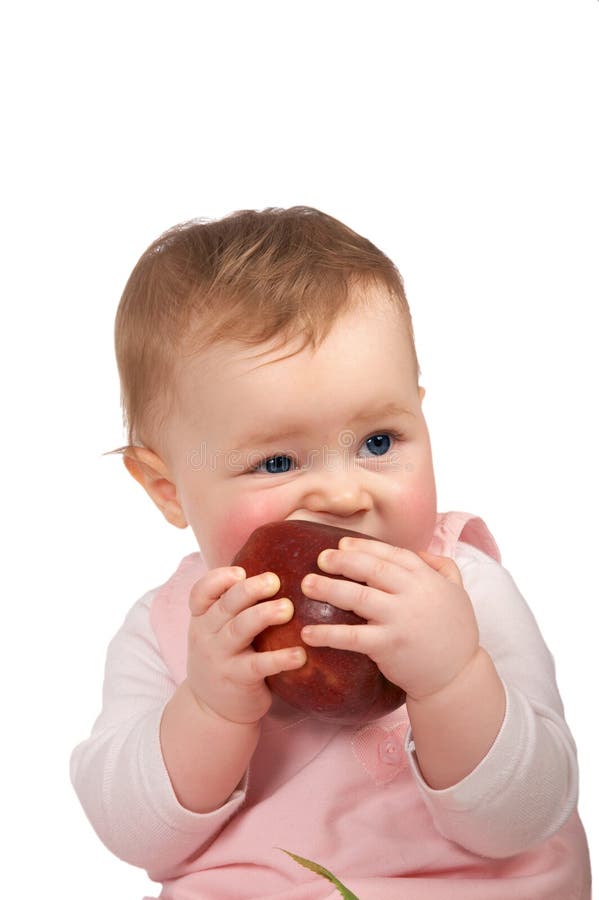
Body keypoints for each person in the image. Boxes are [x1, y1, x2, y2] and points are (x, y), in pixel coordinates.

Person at [70, 207, 591, 899]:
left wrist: (452, 677)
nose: (345, 494)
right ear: (169, 490)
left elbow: (524, 819)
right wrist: (211, 707)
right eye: (277, 460)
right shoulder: (173, 630)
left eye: (378, 441)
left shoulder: (461, 588)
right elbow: (132, 836)